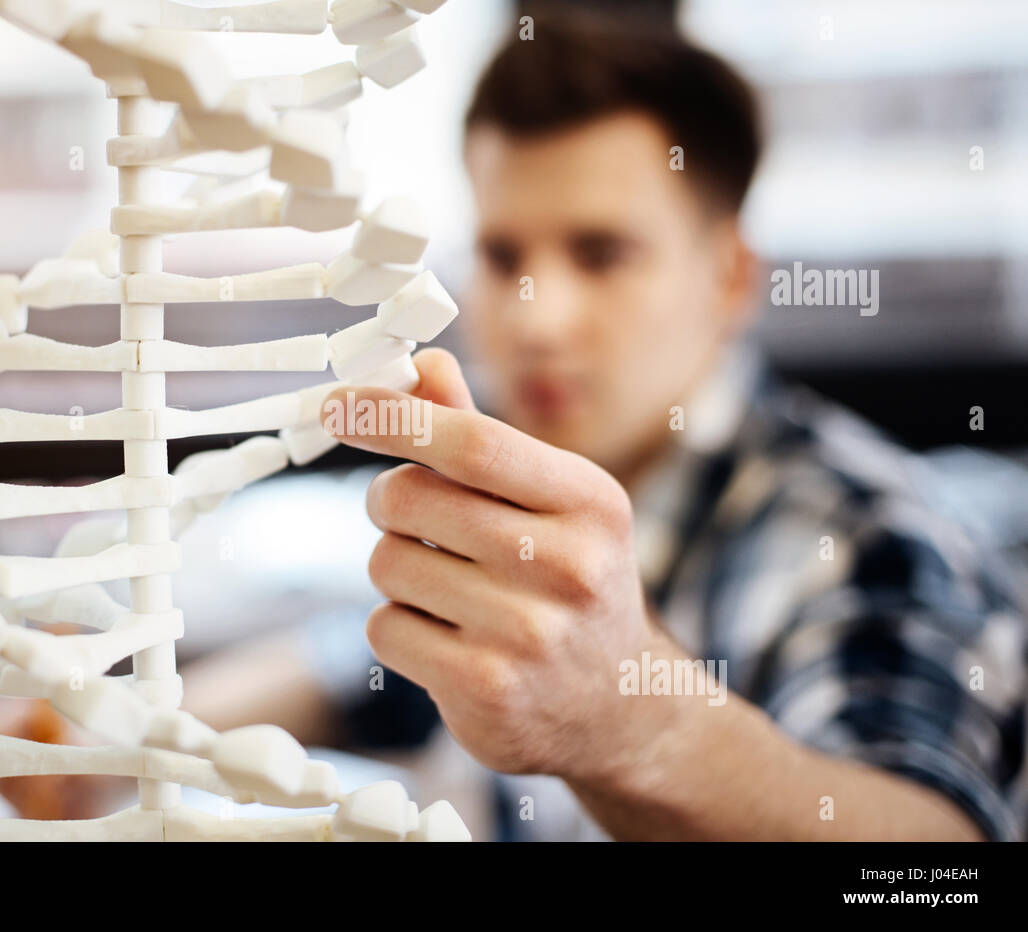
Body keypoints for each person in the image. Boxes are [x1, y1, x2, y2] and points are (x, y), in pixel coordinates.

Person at [180, 10, 1027, 841]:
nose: (536, 319)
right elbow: (355, 670)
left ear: (730, 278)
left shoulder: (873, 545)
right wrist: (140, 735)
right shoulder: (536, 512)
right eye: (504, 256)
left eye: (601, 254)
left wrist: (634, 723)